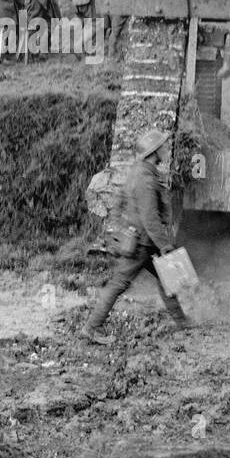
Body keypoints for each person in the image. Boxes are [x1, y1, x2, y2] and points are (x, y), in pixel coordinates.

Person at [82, 129, 191, 344]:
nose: (166, 149)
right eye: (162, 147)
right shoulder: (145, 179)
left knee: (165, 279)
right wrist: (165, 246)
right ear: (154, 151)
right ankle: (92, 327)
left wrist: (121, 227)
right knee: (119, 283)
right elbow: (150, 217)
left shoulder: (140, 171)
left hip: (142, 240)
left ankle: (181, 321)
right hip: (142, 243)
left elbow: (120, 200)